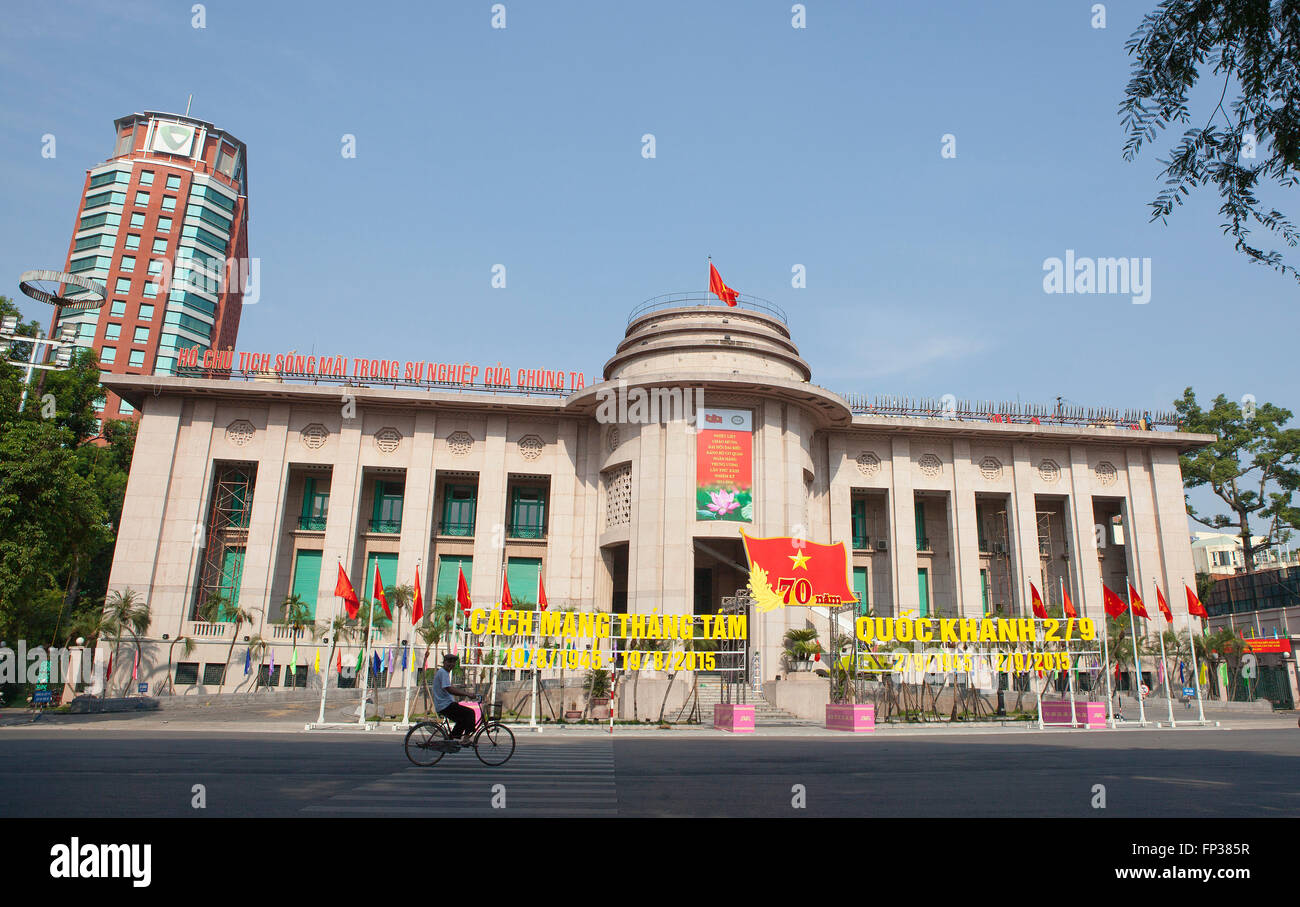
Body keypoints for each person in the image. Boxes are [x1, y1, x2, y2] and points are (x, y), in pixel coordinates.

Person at [433, 654, 476, 743]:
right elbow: (449, 689)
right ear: (444, 662)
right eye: (449, 662)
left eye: (453, 662)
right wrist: (467, 694)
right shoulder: (443, 673)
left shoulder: (444, 673)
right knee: (470, 713)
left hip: (445, 704)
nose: (451, 664)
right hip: (445, 705)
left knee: (462, 720)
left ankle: (450, 740)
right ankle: (466, 739)